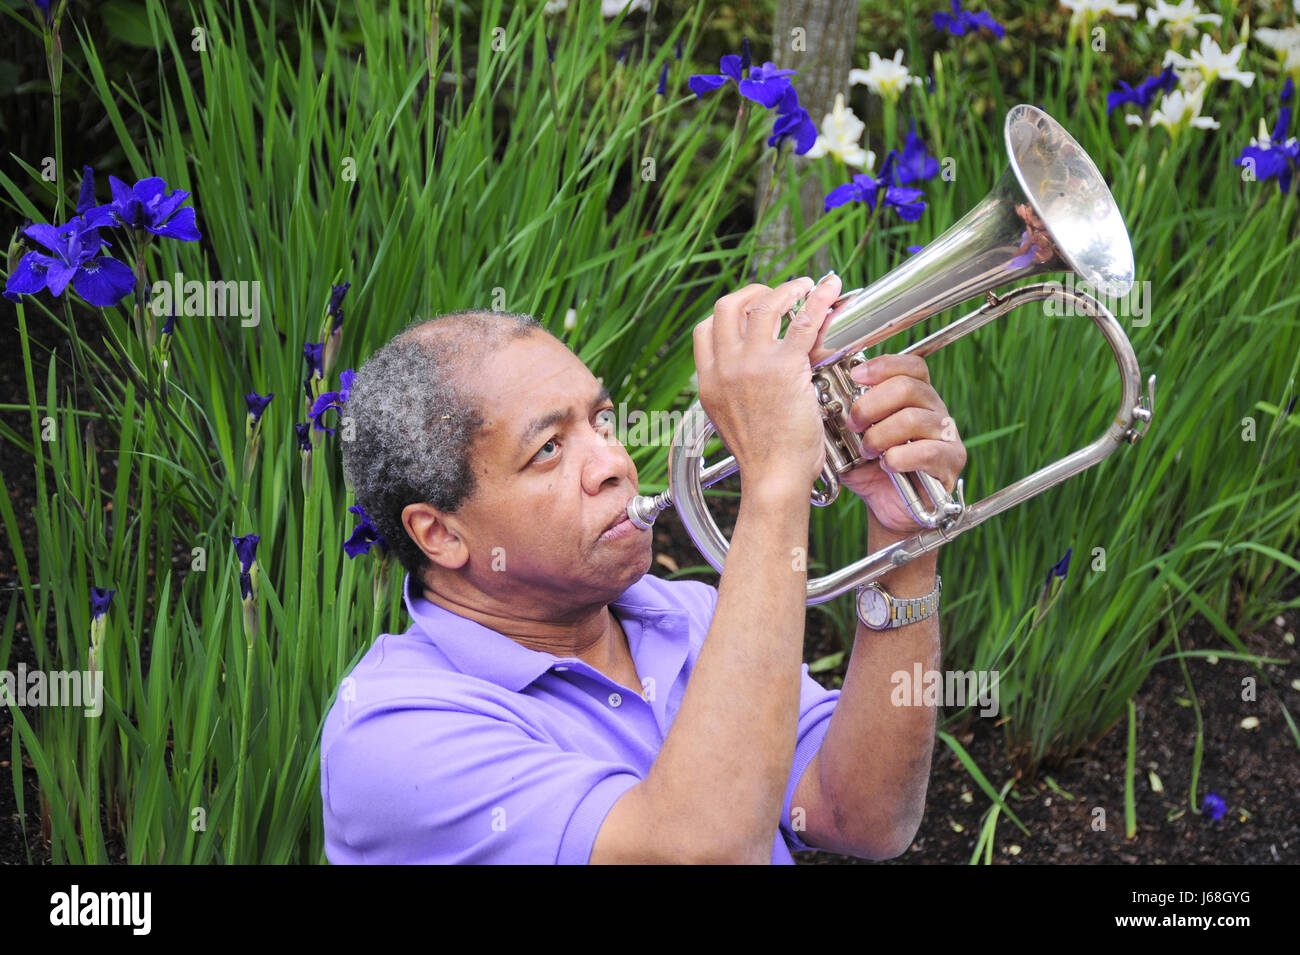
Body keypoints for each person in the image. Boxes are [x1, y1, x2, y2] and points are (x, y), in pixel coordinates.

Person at [321, 273, 967, 863]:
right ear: (440, 533)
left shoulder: (685, 613)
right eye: (548, 449)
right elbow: (699, 851)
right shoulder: (392, 731)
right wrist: (774, 478)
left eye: (601, 421)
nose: (612, 463)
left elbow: (862, 816)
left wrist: (905, 544)